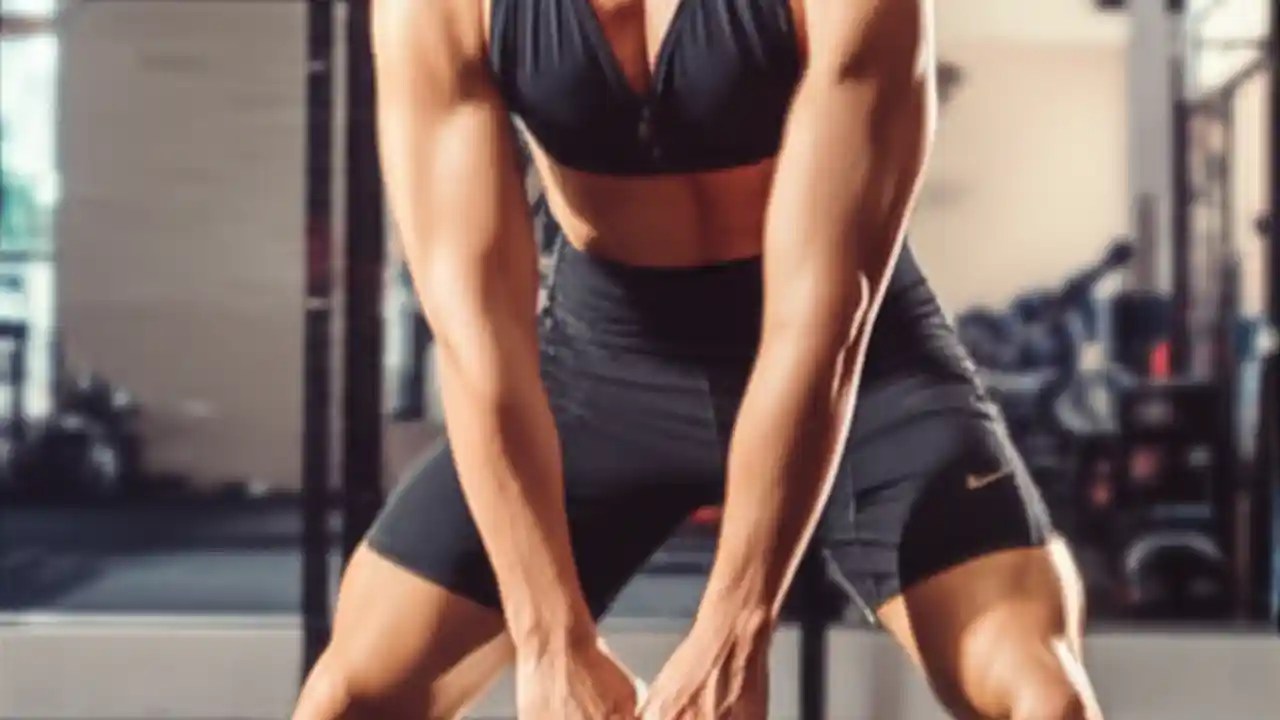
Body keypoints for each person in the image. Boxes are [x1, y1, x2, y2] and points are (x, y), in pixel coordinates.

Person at [293, 0, 1104, 718]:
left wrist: (734, 634)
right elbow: (476, 333)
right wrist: (551, 643)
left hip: (862, 376)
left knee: (1044, 699)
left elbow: (819, 323)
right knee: (350, 698)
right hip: (598, 367)